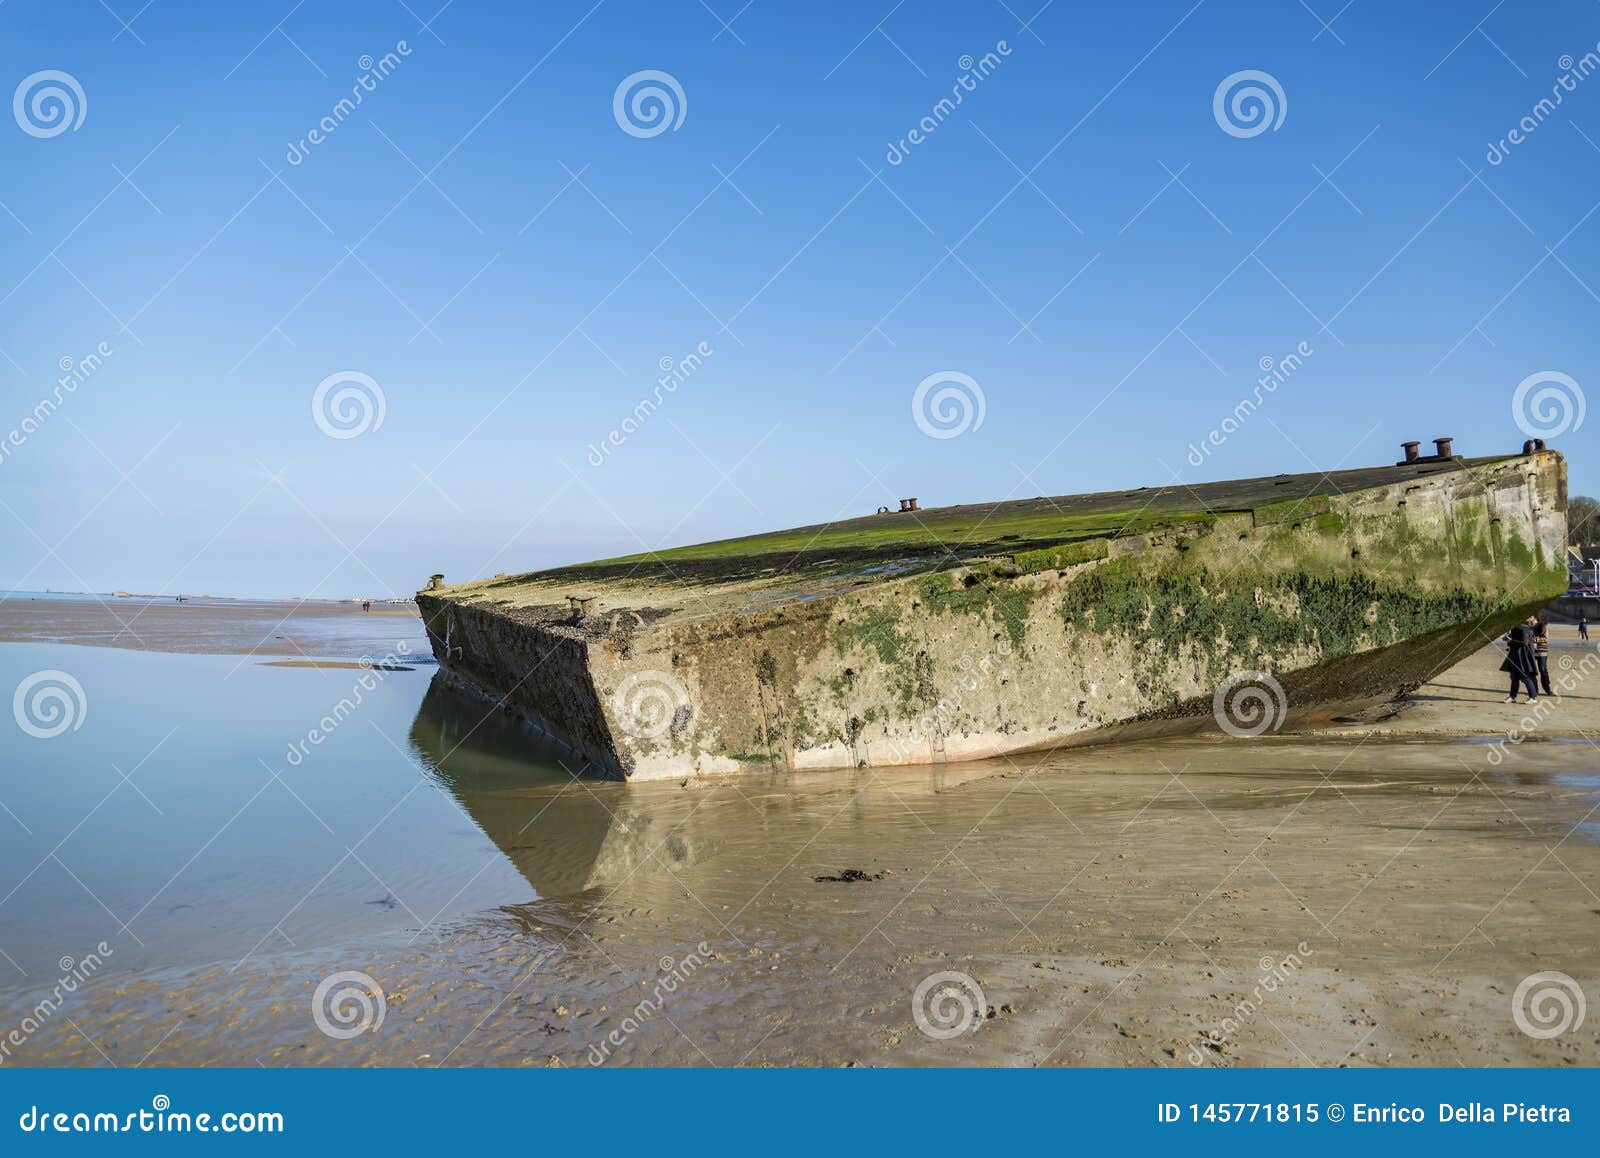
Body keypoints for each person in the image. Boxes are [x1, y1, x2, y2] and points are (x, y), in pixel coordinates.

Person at [1501, 623, 1539, 704]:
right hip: (1514, 655)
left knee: (1525, 677)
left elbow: (1524, 643)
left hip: (1523, 656)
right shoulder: (1515, 627)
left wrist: (1510, 640)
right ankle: (1512, 696)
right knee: (1514, 677)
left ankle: (1533, 697)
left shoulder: (1525, 629)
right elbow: (1513, 638)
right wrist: (1507, 638)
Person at [1532, 618, 1553, 697]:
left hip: (1542, 652)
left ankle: (1547, 689)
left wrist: (1535, 639)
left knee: (1543, 670)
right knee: (1532, 670)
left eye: (1532, 618)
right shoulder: (1530, 627)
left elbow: (1546, 638)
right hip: (1533, 652)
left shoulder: (1543, 626)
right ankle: (1535, 689)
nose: (1531, 620)